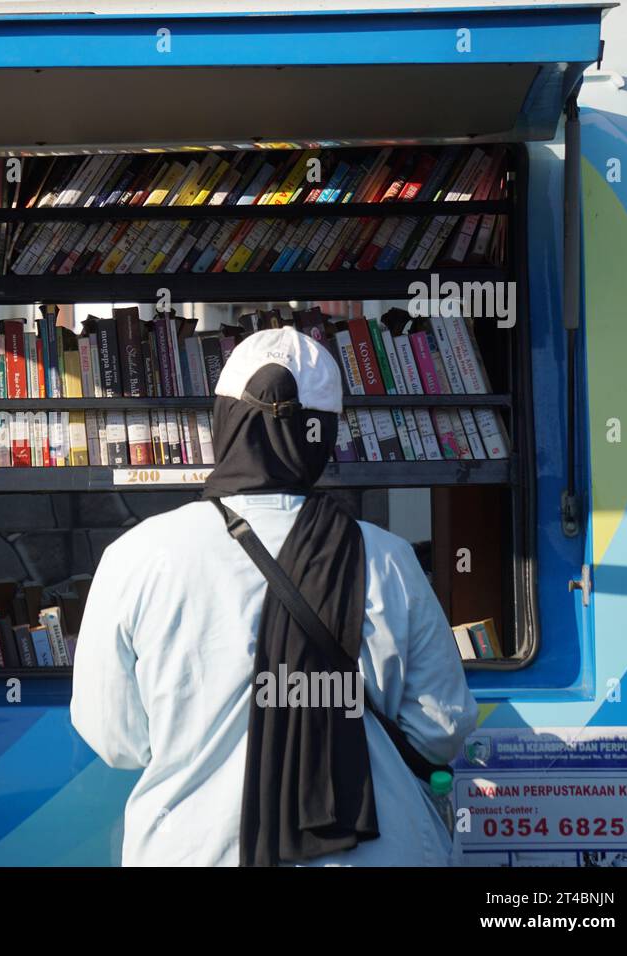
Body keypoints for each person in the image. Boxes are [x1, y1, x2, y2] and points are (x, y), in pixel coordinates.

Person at [70, 327, 478, 866]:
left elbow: (116, 739)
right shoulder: (390, 559)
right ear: (323, 433)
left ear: (225, 420)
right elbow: (441, 730)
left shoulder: (137, 555)